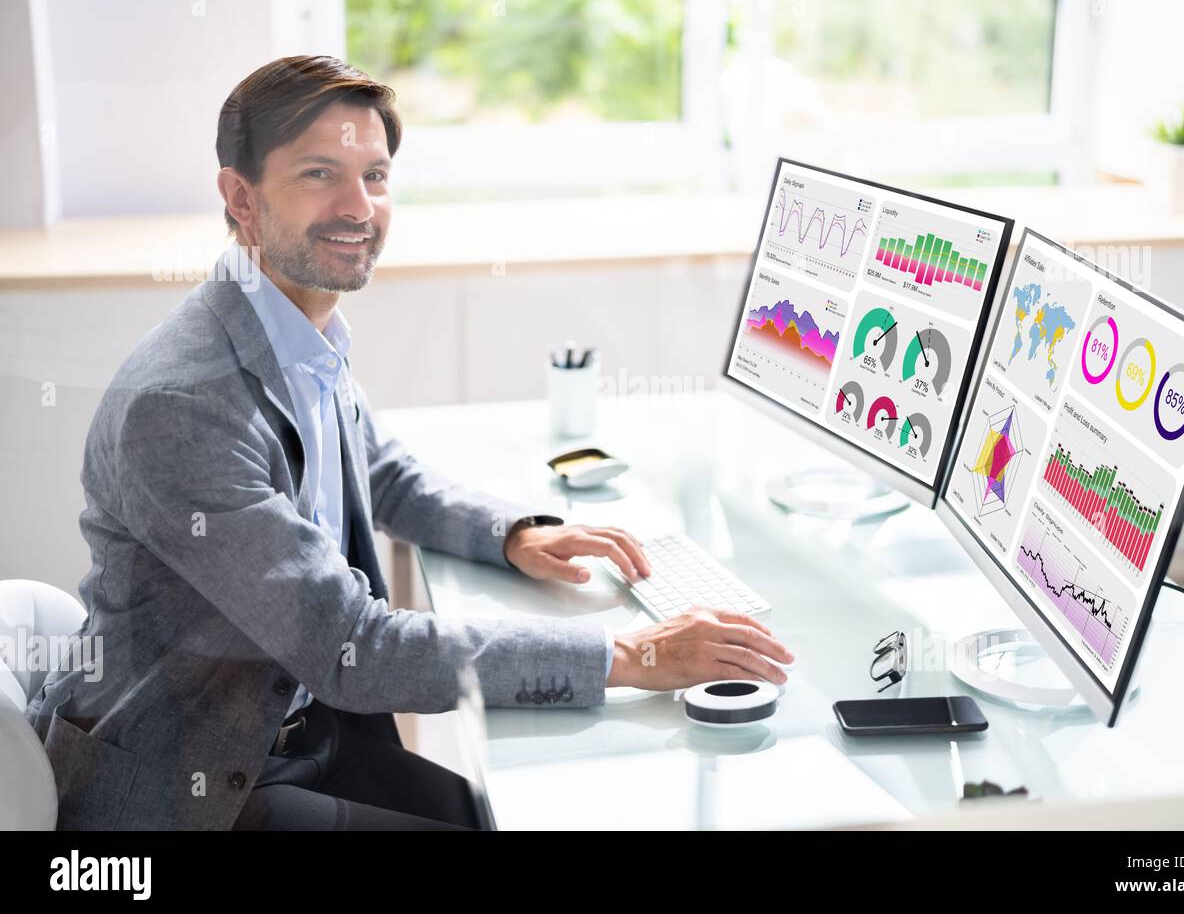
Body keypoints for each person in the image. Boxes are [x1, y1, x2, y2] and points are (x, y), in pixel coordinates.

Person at [24, 55, 793, 830]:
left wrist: (515, 534)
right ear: (241, 198)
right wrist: (630, 657)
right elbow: (353, 645)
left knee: (504, 810)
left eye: (377, 176)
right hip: (192, 787)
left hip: (296, 732)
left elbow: (378, 471)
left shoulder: (290, 327)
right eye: (321, 174)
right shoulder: (183, 404)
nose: (359, 207)